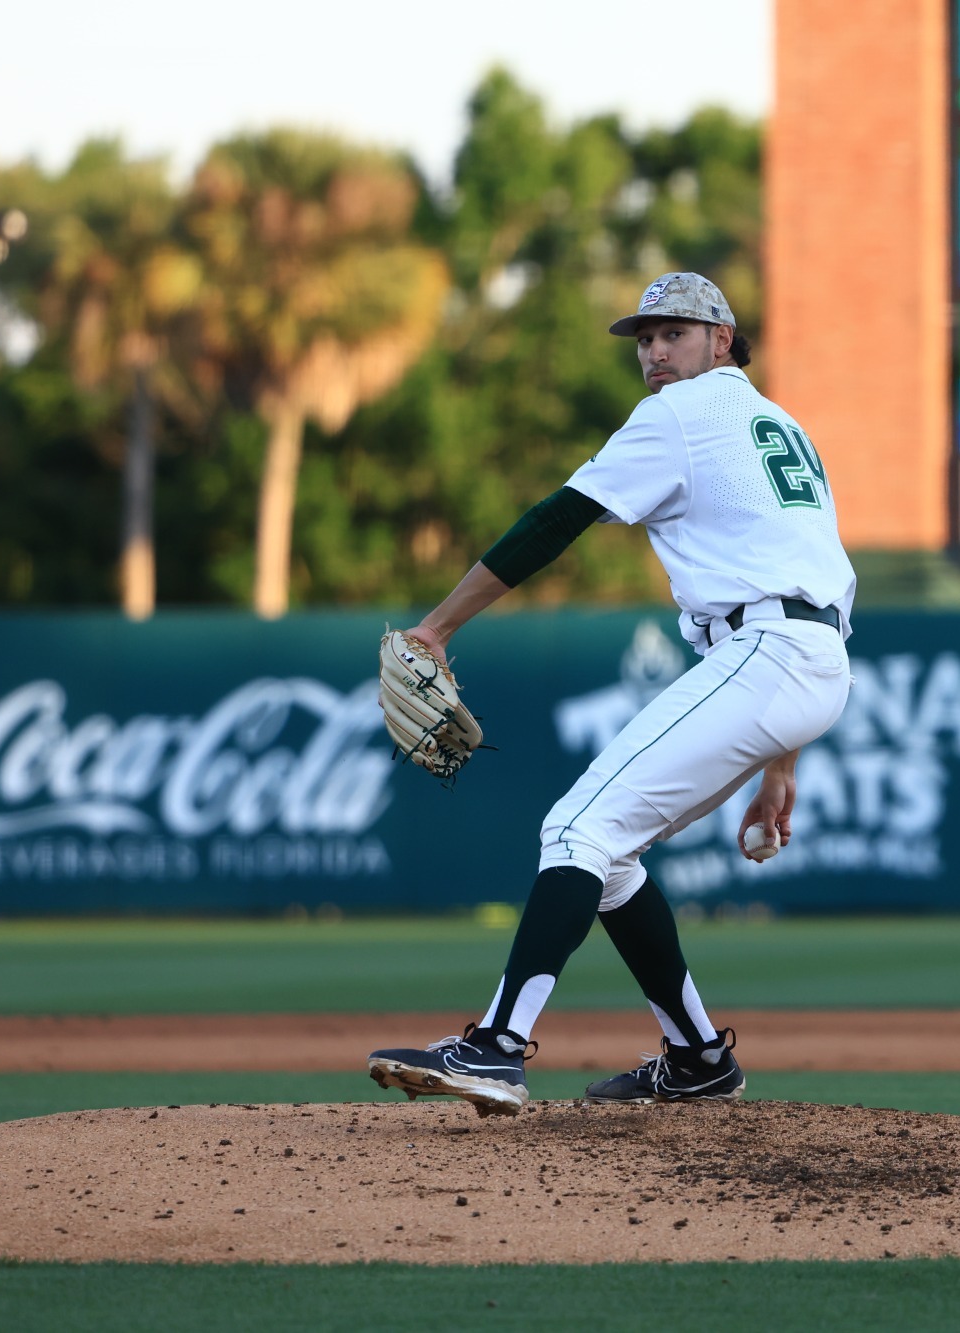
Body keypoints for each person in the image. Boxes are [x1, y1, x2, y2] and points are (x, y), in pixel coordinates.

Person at [367, 272, 856, 1115]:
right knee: (613, 851)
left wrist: (438, 626)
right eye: (645, 338)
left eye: (675, 332)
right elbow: (807, 581)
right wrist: (783, 765)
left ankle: (496, 1048)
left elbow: (560, 517)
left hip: (770, 650)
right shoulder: (781, 424)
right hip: (807, 657)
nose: (656, 352)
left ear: (723, 340)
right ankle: (699, 1055)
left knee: (577, 826)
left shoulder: (682, 414)